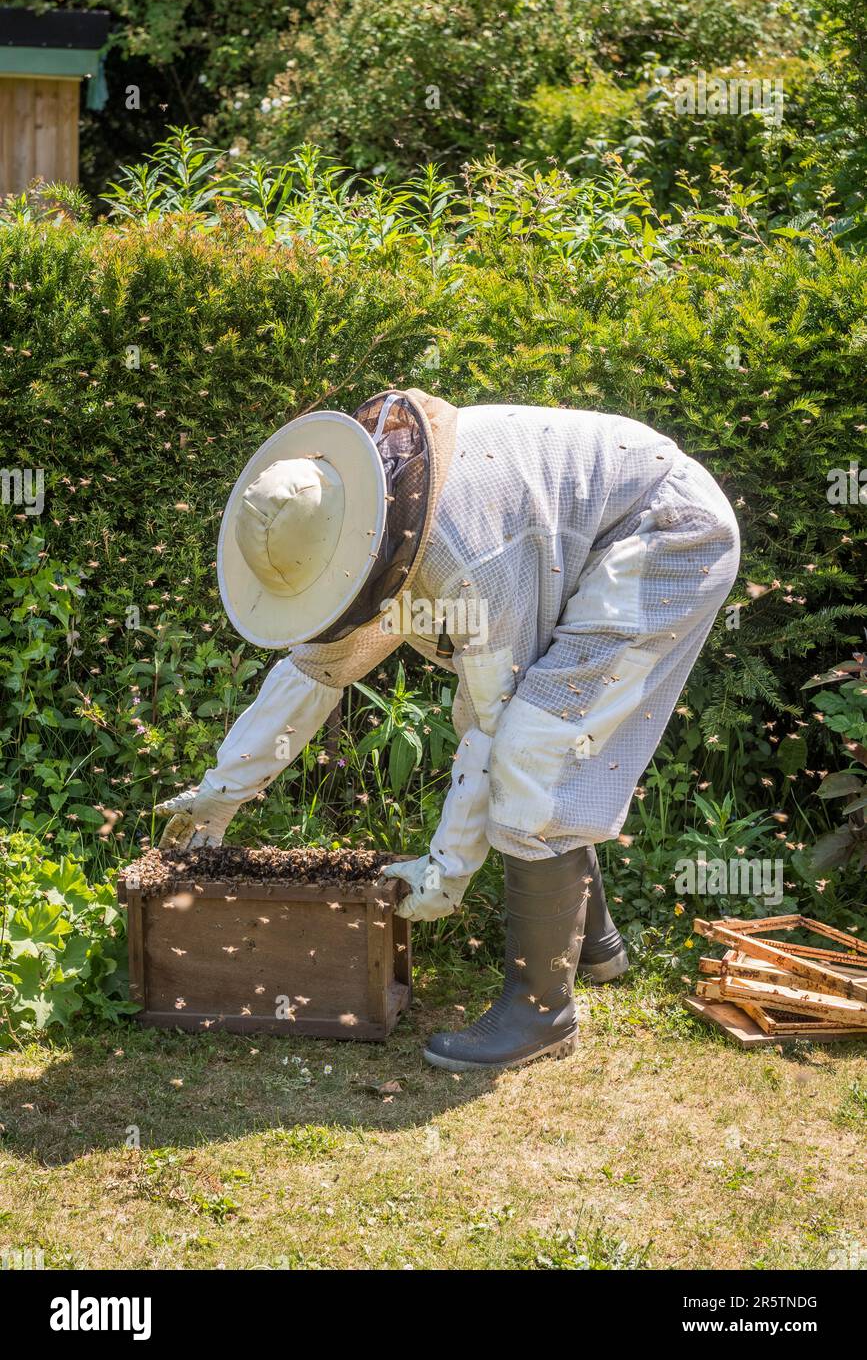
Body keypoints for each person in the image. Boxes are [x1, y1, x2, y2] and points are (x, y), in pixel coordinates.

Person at [156, 388, 740, 1070]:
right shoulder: (365, 506)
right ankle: (593, 945)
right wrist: (223, 791)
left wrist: (448, 868)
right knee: (541, 744)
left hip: (665, 534)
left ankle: (540, 1009)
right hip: (593, 524)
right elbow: (317, 668)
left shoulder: (465, 555)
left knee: (538, 741)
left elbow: (494, 727)